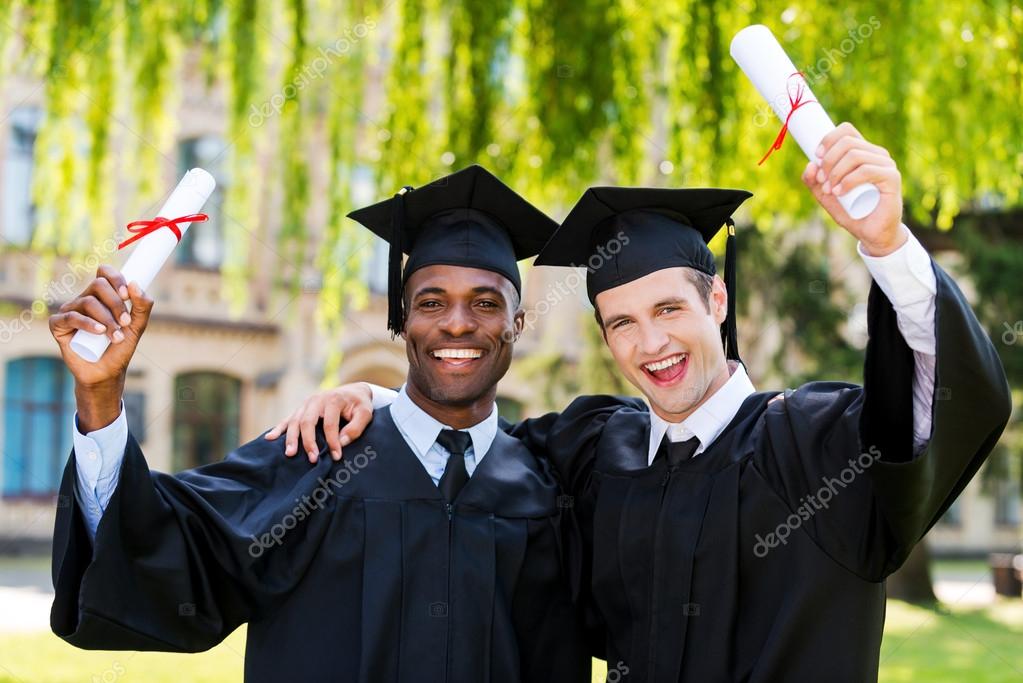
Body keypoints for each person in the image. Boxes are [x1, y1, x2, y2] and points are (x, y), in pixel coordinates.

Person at [269, 124, 1012, 681]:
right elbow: (472, 435)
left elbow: (940, 399)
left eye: (668, 309)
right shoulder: (596, 450)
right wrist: (379, 394)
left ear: (716, 299)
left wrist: (885, 246)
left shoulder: (816, 443)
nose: (650, 342)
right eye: (621, 321)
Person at [48, 165, 592, 682]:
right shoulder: (311, 455)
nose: (457, 323)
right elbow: (170, 549)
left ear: (517, 324)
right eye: (431, 303)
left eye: (485, 303)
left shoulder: (551, 482)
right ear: (401, 322)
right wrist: (100, 396)